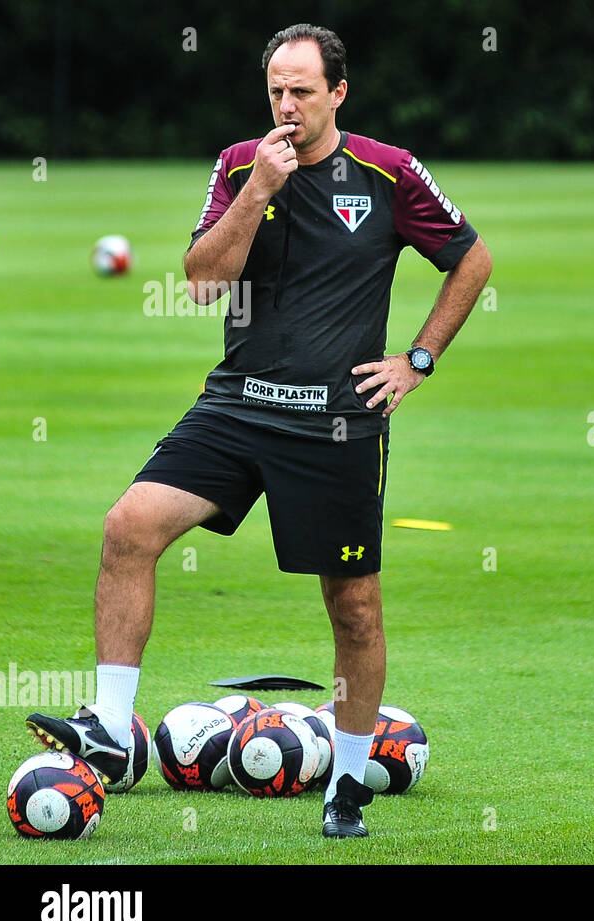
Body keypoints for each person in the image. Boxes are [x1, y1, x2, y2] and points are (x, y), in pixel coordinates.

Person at [26, 23, 491, 838]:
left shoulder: (387, 172)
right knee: (127, 528)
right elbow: (204, 283)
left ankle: (346, 786)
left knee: (354, 608)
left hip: (337, 424)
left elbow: (472, 258)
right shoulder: (242, 164)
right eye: (276, 89)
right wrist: (257, 192)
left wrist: (417, 360)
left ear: (337, 93)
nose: (287, 105)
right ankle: (107, 724)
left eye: (303, 90)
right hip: (238, 404)